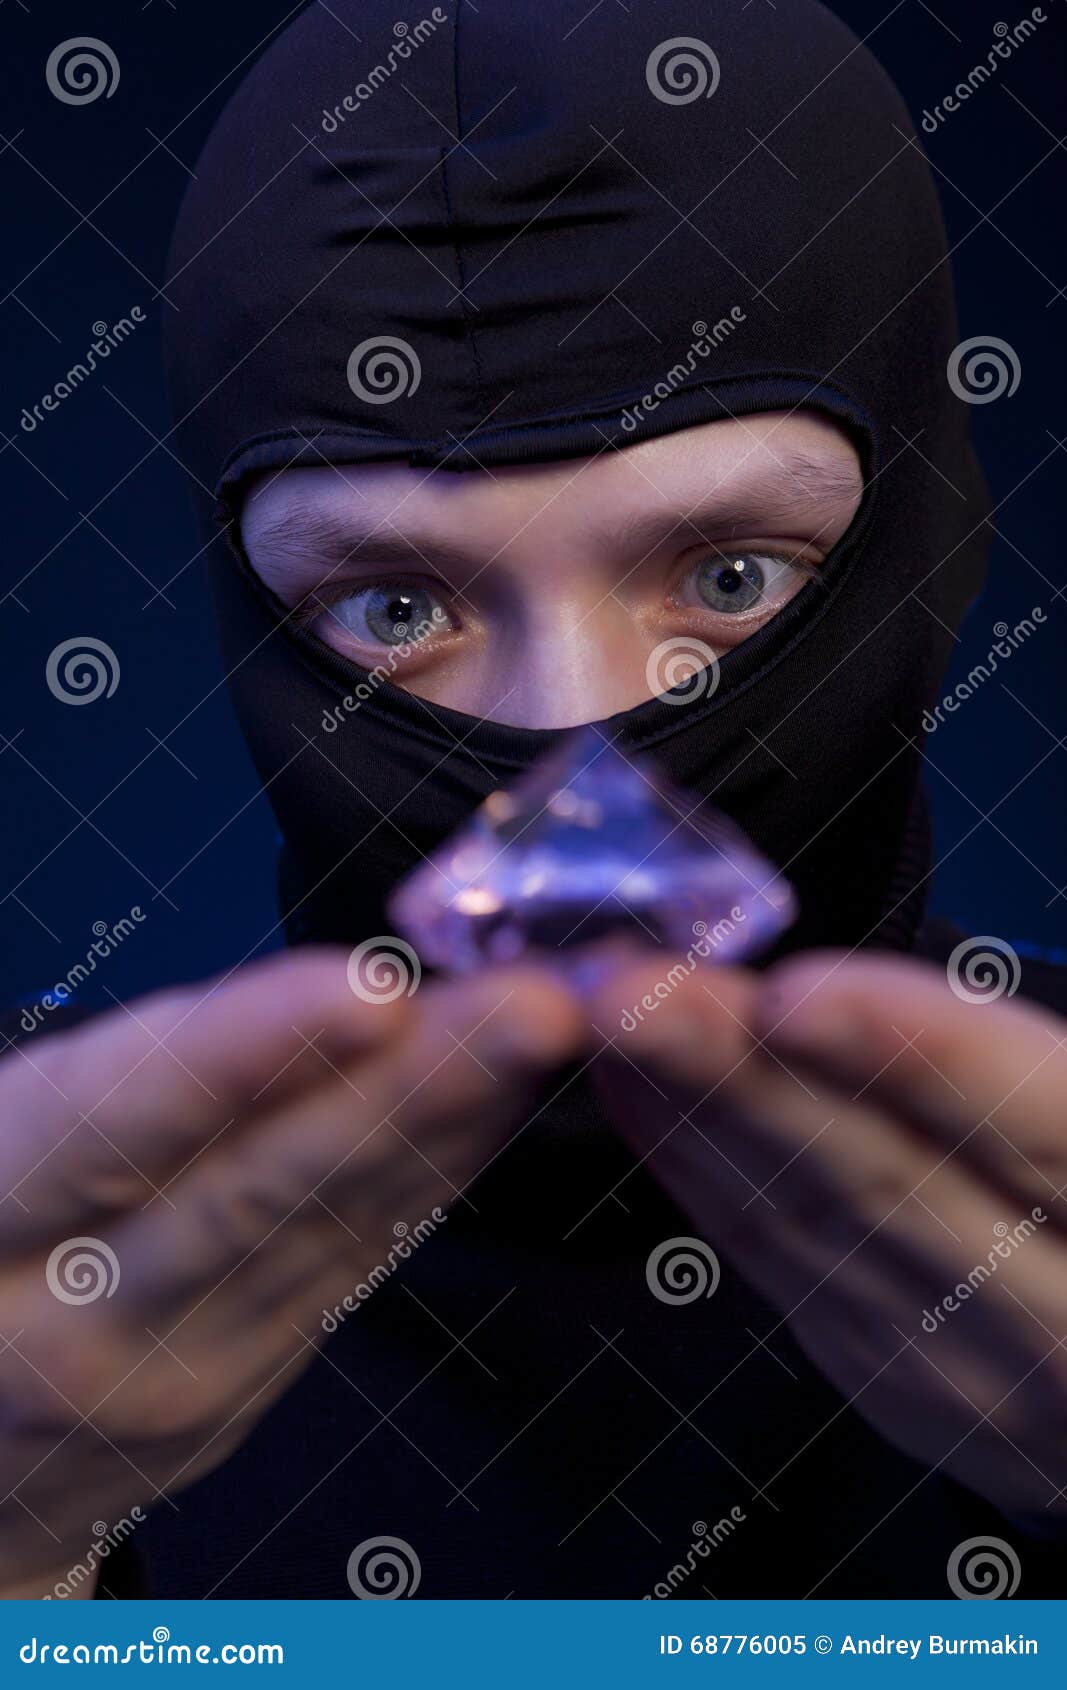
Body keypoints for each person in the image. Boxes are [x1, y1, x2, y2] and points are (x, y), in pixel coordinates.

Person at [2, 0, 1065, 1601]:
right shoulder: (42, 1253)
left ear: (931, 541)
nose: (574, 754)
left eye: (727, 575)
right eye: (396, 609)